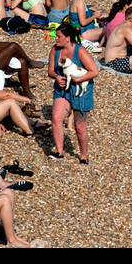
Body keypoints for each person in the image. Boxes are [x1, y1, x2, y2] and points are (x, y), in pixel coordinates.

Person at [47, 23, 98, 162]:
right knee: (56, 119)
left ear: (68, 38)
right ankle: (59, 152)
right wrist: (57, 77)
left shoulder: (80, 51)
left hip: (80, 90)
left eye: (58, 36)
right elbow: (50, 71)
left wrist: (79, 79)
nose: (56, 39)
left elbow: (94, 71)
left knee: (79, 126)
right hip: (62, 89)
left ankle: (83, 156)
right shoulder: (55, 50)